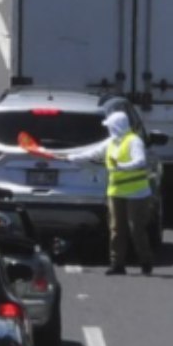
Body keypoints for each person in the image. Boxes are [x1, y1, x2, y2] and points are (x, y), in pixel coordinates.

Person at [55, 111, 155, 275]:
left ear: (118, 126)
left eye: (111, 126)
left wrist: (122, 166)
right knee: (116, 229)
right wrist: (68, 158)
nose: (109, 130)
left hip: (137, 193)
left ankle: (145, 261)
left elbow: (140, 161)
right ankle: (117, 264)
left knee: (136, 229)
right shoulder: (112, 142)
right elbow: (92, 153)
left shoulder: (133, 141)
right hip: (116, 192)